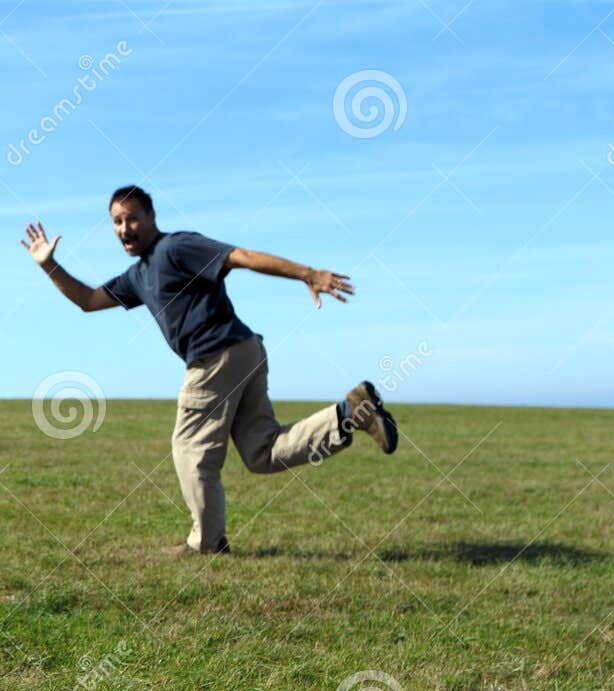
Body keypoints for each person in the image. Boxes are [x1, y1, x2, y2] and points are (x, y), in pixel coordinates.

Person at [21, 184, 397, 556]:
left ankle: (208, 544)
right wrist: (49, 264)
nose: (125, 229)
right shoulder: (138, 276)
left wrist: (308, 274)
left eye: (132, 218)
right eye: (117, 222)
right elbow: (88, 300)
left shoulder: (176, 247)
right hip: (244, 352)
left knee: (189, 450)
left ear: (151, 217)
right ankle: (351, 414)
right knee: (262, 453)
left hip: (215, 357)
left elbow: (242, 256)